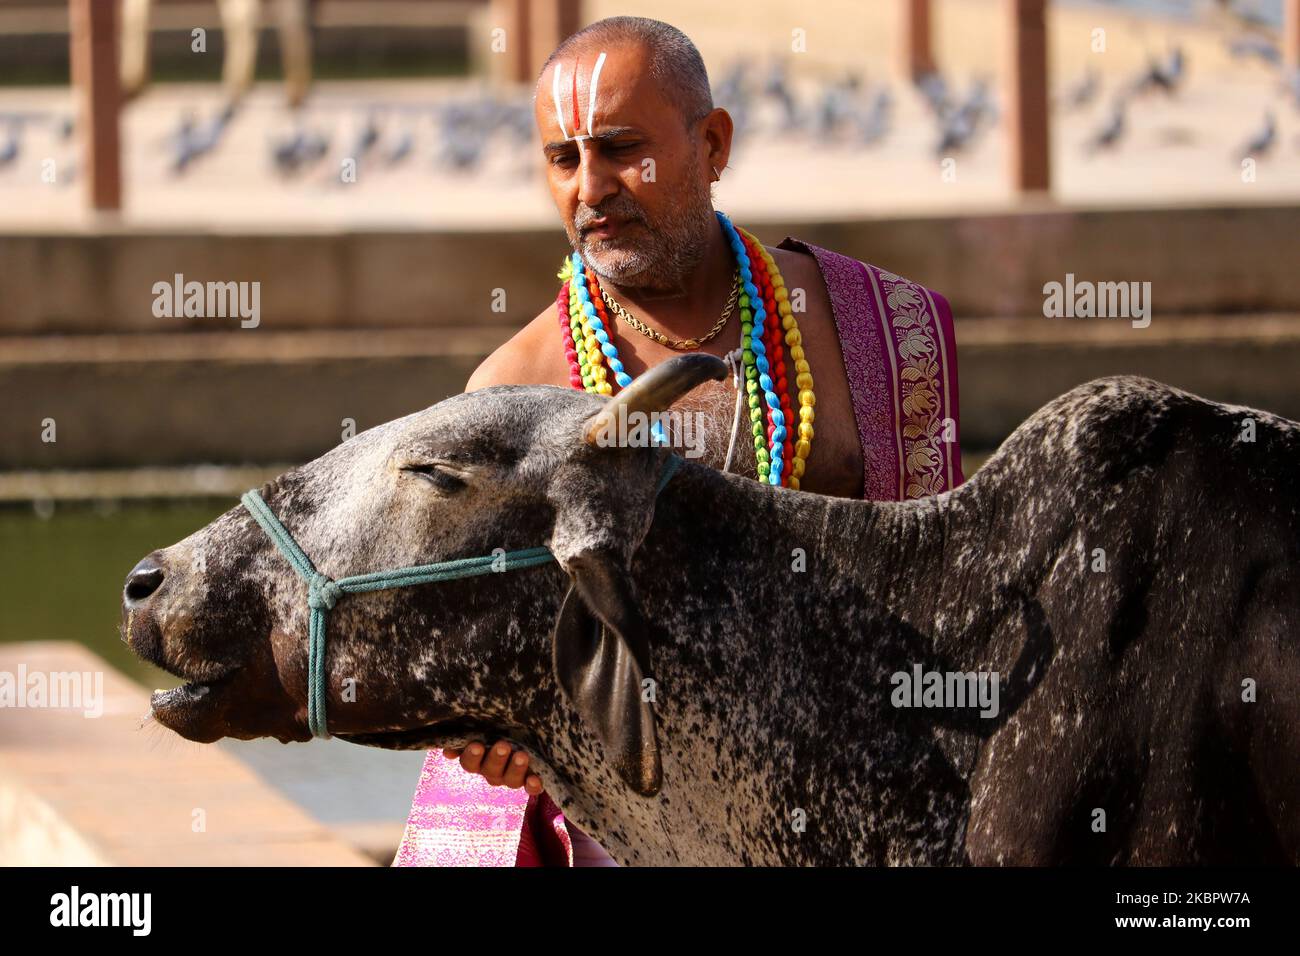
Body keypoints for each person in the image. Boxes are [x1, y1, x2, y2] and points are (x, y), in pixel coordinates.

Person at [393, 15, 964, 867]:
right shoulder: (507, 396)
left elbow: (946, 595)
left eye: (622, 148)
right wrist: (497, 737)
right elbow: (486, 660)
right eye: (563, 159)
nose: (591, 188)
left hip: (860, 821)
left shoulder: (888, 332)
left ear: (713, 144)